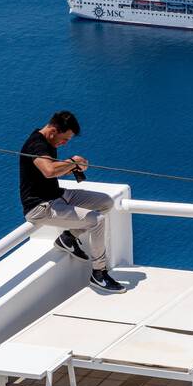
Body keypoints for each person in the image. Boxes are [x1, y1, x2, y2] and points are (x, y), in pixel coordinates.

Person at [19, 110, 125, 293]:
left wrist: (74, 167)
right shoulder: (36, 145)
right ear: (53, 131)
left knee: (106, 202)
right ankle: (99, 273)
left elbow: (50, 172)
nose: (65, 143)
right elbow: (49, 171)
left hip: (57, 195)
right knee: (97, 220)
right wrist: (71, 161)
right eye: (65, 139)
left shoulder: (47, 140)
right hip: (41, 207)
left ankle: (68, 238)